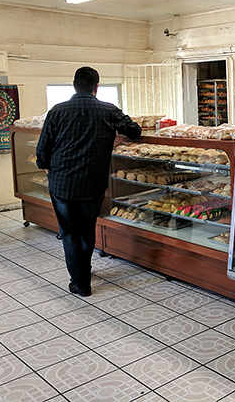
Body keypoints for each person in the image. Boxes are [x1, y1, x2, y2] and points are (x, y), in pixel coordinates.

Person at [36, 67, 141, 297]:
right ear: (97, 87)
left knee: (70, 233)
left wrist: (46, 168)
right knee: (87, 230)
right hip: (92, 184)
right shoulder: (108, 110)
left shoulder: (56, 111)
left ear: (74, 85)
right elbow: (134, 130)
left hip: (62, 184)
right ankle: (85, 272)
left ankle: (80, 281)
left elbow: (42, 151)